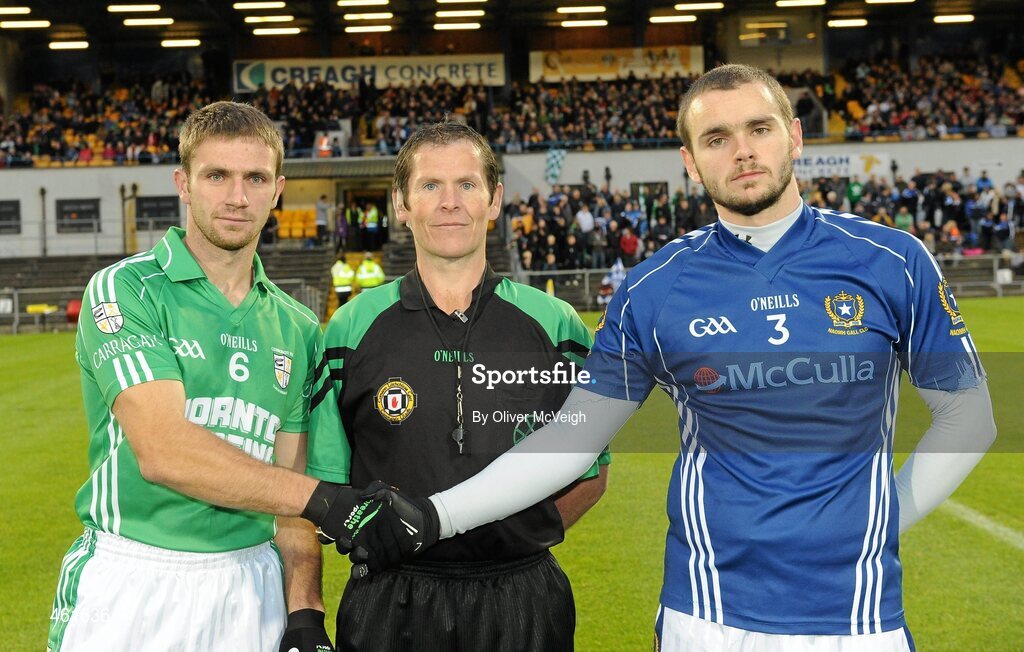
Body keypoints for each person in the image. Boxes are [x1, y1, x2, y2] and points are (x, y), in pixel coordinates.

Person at [346, 65, 996, 652]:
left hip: (860, 618)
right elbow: (571, 444)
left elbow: (969, 416)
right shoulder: (654, 287)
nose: (742, 150)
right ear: (690, 161)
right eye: (716, 138)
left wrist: (884, 517)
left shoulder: (893, 262)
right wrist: (437, 515)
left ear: (795, 137)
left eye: (759, 128)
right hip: (705, 615)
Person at [46, 101, 382, 652]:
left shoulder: (298, 328)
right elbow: (163, 451)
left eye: (255, 178)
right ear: (183, 183)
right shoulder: (126, 290)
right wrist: (327, 502)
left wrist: (305, 614)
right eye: (216, 175)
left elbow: (290, 496)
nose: (236, 196)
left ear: (278, 190)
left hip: (252, 582)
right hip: (134, 576)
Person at [306, 121, 609, 651]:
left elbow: (590, 475)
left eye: (467, 185)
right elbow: (324, 482)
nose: (450, 202)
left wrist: (512, 541)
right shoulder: (350, 329)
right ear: (401, 203)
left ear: (495, 200)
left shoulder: (558, 326)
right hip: (388, 600)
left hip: (525, 599)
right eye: (430, 186)